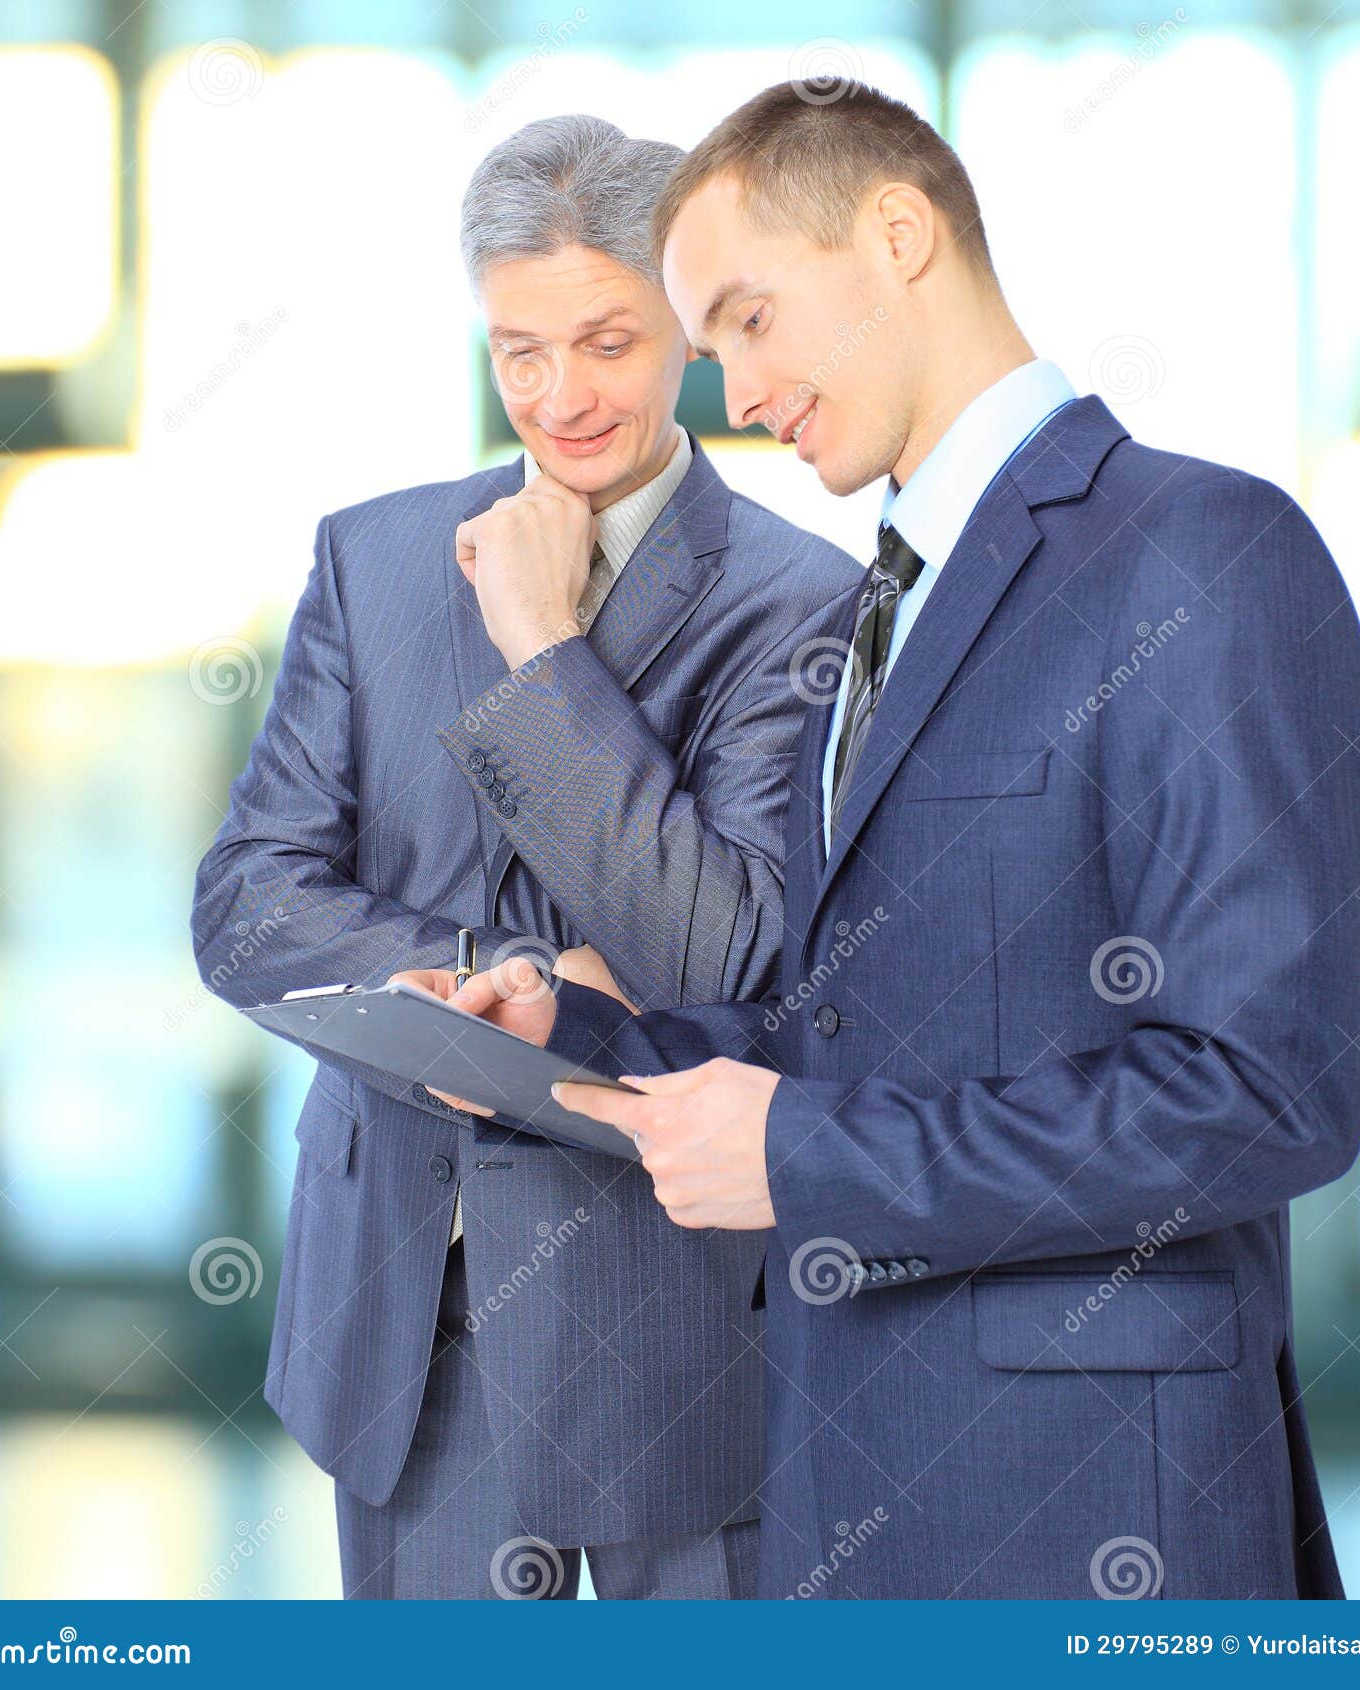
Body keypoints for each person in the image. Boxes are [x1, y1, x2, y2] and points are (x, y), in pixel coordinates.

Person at [425, 80, 1360, 1601]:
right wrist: (586, 1034)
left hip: (1084, 1514)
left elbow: (1268, 1089)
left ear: (895, 233)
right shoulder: (879, 609)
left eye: (747, 318)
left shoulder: (1205, 551)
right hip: (847, 1492)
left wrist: (799, 1152)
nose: (732, 392)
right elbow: (859, 1028)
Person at [191, 112, 860, 1600]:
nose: (561, 396)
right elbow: (247, 903)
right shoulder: (372, 560)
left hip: (662, 1341)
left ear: (686, 327)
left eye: (608, 342)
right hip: (396, 1335)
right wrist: (495, 976)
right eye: (520, 352)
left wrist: (543, 647)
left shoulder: (800, 602)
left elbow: (722, 957)